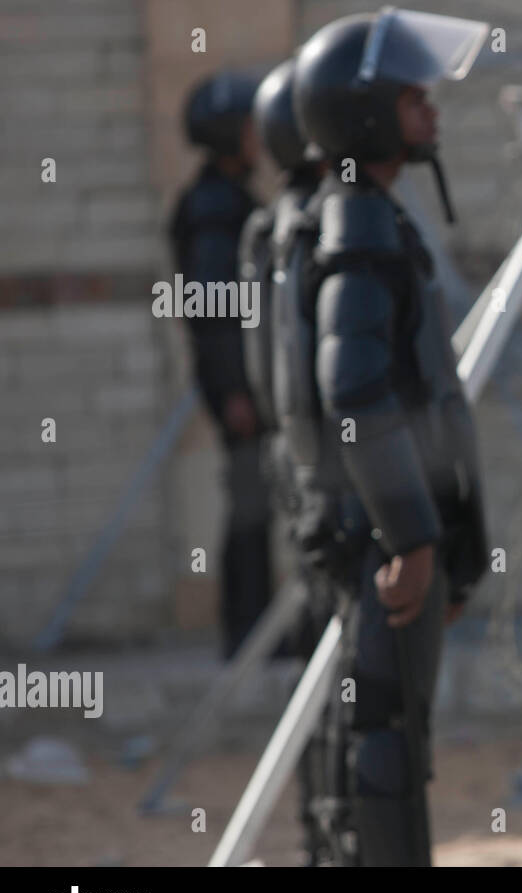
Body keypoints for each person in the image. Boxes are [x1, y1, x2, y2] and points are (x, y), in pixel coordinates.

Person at [278, 8, 491, 866]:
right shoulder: (359, 224)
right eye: (413, 99)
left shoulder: (361, 213)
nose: (432, 112)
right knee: (386, 739)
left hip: (382, 536)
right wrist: (410, 537)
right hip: (382, 540)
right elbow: (355, 393)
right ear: (366, 116)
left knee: (378, 726)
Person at [237, 56, 337, 864]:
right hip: (320, 474)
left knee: (326, 662)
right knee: (336, 672)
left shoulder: (270, 225)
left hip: (298, 465)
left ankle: (322, 827)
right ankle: (325, 830)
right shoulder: (297, 228)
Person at [168, 70, 272, 660]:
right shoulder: (213, 209)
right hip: (240, 385)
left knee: (255, 497)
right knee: (250, 500)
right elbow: (215, 309)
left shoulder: (224, 199)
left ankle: (256, 633)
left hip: (244, 381)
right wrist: (237, 388)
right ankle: (250, 633)